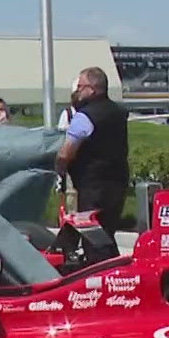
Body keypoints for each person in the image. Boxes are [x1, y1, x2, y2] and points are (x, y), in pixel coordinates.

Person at [56, 66, 130, 235]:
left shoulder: (84, 117)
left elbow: (65, 153)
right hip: (118, 181)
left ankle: (99, 260)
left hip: (92, 184)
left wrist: (59, 169)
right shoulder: (119, 112)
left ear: (92, 89)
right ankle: (113, 260)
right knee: (107, 232)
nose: (78, 91)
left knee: (92, 235)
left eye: (81, 87)